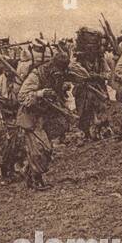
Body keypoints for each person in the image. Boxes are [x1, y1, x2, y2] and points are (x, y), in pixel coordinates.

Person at [16, 53, 72, 190]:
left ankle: (30, 175)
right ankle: (36, 180)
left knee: (44, 149)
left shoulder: (57, 76)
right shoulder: (36, 75)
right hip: (31, 117)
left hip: (45, 117)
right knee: (40, 150)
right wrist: (40, 94)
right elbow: (21, 96)